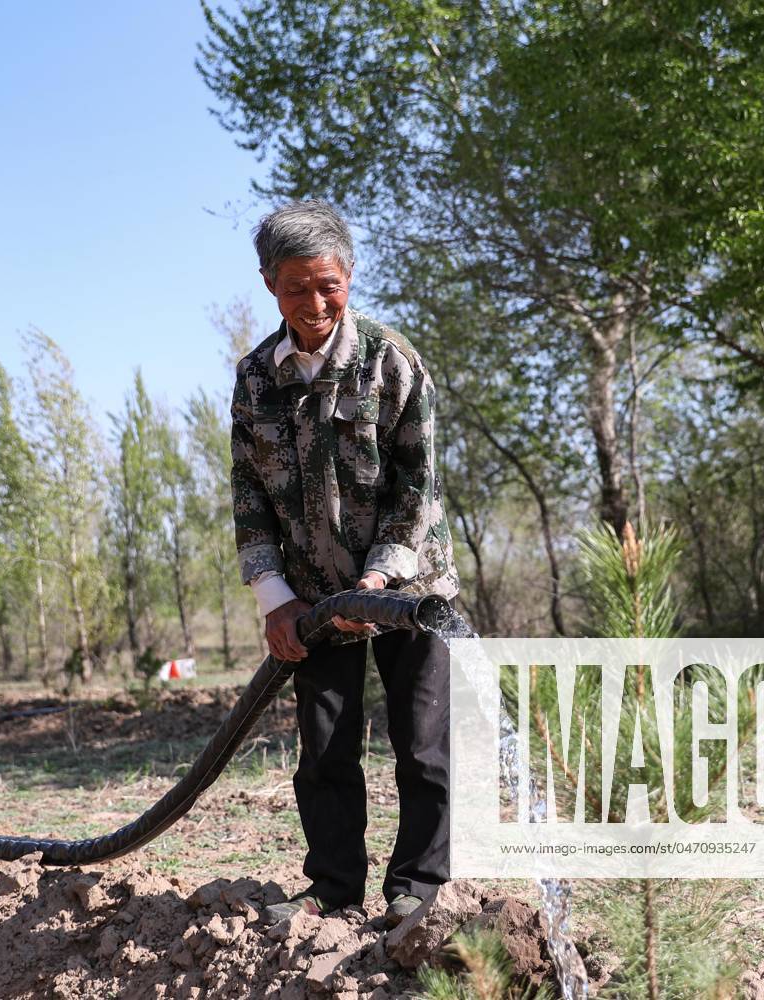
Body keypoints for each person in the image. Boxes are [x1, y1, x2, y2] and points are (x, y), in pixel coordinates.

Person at [230, 200, 460, 926]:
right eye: (296, 286)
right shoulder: (256, 380)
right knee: (324, 752)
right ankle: (333, 890)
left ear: (349, 275)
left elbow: (418, 486)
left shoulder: (392, 361)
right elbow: (249, 495)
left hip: (410, 591)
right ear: (269, 284)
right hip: (313, 602)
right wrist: (275, 597)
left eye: (327, 283)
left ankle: (417, 889)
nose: (315, 302)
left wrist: (381, 579)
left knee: (422, 747)